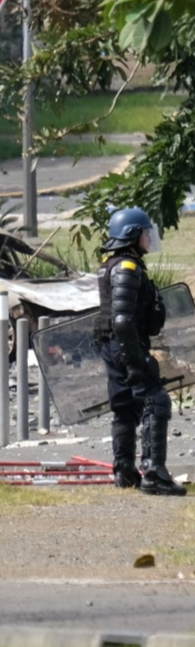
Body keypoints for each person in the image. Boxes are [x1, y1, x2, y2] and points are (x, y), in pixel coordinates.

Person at [93, 207, 186, 496]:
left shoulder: (111, 264)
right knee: (156, 400)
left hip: (113, 345)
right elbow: (122, 320)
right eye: (145, 233)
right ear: (132, 235)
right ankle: (154, 473)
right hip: (126, 343)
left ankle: (124, 471)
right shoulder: (127, 268)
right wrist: (135, 362)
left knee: (125, 406)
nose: (149, 238)